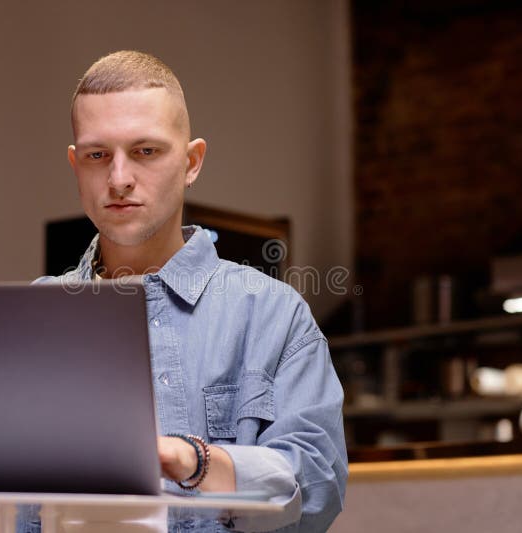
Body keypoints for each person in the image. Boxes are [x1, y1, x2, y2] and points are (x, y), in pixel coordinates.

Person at [36, 50, 347, 532]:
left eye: (146, 151)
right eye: (98, 155)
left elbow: (318, 490)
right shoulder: (30, 314)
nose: (119, 179)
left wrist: (194, 462)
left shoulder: (275, 314)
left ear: (191, 161)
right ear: (77, 165)